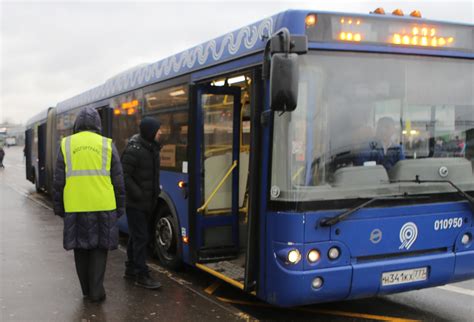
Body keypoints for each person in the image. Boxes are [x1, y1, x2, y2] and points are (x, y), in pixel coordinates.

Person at [53, 107, 125, 303]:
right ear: (97, 124)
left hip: (75, 206)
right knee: (99, 250)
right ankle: (96, 291)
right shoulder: (107, 145)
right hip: (103, 205)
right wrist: (120, 207)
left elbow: (58, 181)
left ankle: (86, 290)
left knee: (80, 250)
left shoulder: (66, 144)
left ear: (77, 125)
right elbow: (118, 180)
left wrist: (59, 207)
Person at [121, 117, 162, 289]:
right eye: (158, 130)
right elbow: (123, 175)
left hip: (147, 201)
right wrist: (138, 193)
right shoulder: (134, 149)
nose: (161, 133)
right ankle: (141, 275)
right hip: (136, 203)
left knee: (136, 236)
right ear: (150, 131)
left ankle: (131, 269)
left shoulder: (151, 148)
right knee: (141, 238)